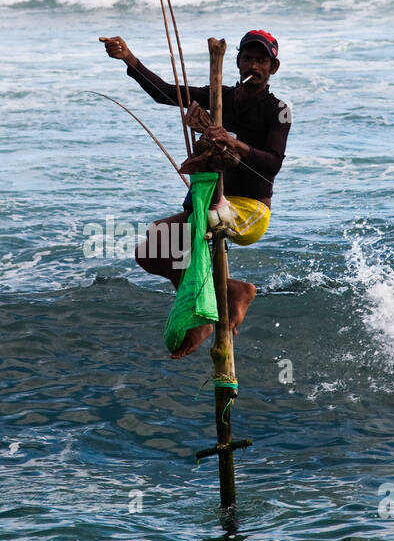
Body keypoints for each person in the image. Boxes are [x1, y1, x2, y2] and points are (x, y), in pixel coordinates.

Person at [99, 29, 291, 357]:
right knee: (152, 249)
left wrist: (235, 144)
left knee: (206, 219)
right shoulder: (222, 99)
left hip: (248, 212)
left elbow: (272, 163)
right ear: (238, 62)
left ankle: (216, 308)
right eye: (248, 58)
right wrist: (129, 59)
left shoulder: (278, 110)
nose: (254, 66)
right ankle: (212, 301)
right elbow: (166, 93)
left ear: (273, 67)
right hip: (209, 204)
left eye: (262, 61)